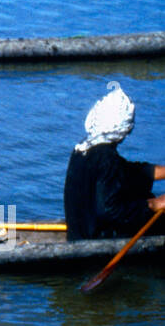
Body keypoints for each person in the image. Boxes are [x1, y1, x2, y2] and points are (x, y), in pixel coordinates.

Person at [63, 85, 165, 240]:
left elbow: (126, 173)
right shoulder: (106, 158)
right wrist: (154, 204)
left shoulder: (84, 149)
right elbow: (110, 211)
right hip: (95, 239)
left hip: (79, 233)